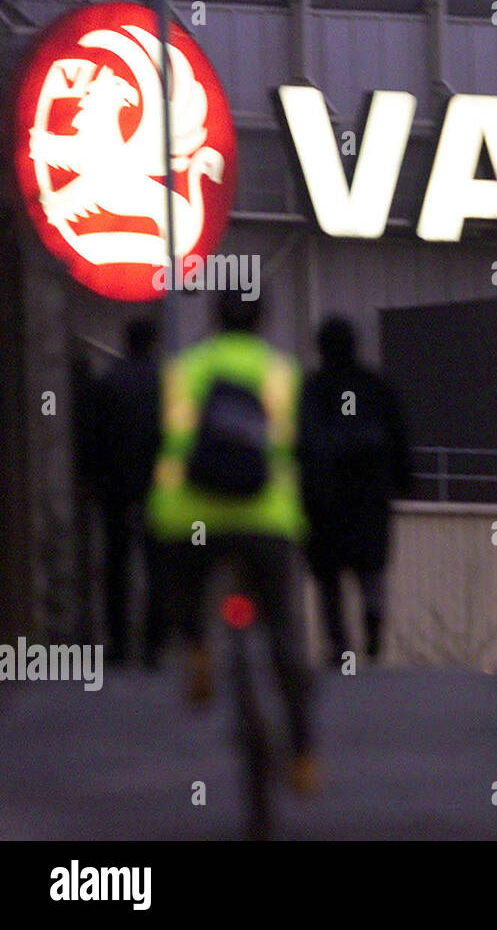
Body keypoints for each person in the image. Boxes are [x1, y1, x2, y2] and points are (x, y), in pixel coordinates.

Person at [148, 288, 317, 793]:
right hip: (265, 518)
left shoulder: (185, 370)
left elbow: (165, 441)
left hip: (193, 514)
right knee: (283, 628)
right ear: (263, 319)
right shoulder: (281, 374)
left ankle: (197, 646)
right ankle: (304, 755)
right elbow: (302, 450)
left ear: (215, 318)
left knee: (182, 578)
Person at [298, 316, 411, 663]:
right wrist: (404, 482)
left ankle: (339, 646)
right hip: (369, 499)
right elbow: (400, 440)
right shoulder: (377, 387)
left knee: (328, 579)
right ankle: (373, 638)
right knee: (371, 573)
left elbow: (298, 444)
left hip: (325, 500)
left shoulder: (312, 389)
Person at [87, 320, 164, 666]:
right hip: (156, 487)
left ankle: (117, 645)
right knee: (157, 566)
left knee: (115, 565)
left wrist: (93, 480)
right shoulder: (164, 383)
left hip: (114, 487)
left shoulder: (107, 382)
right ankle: (152, 647)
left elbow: (91, 438)